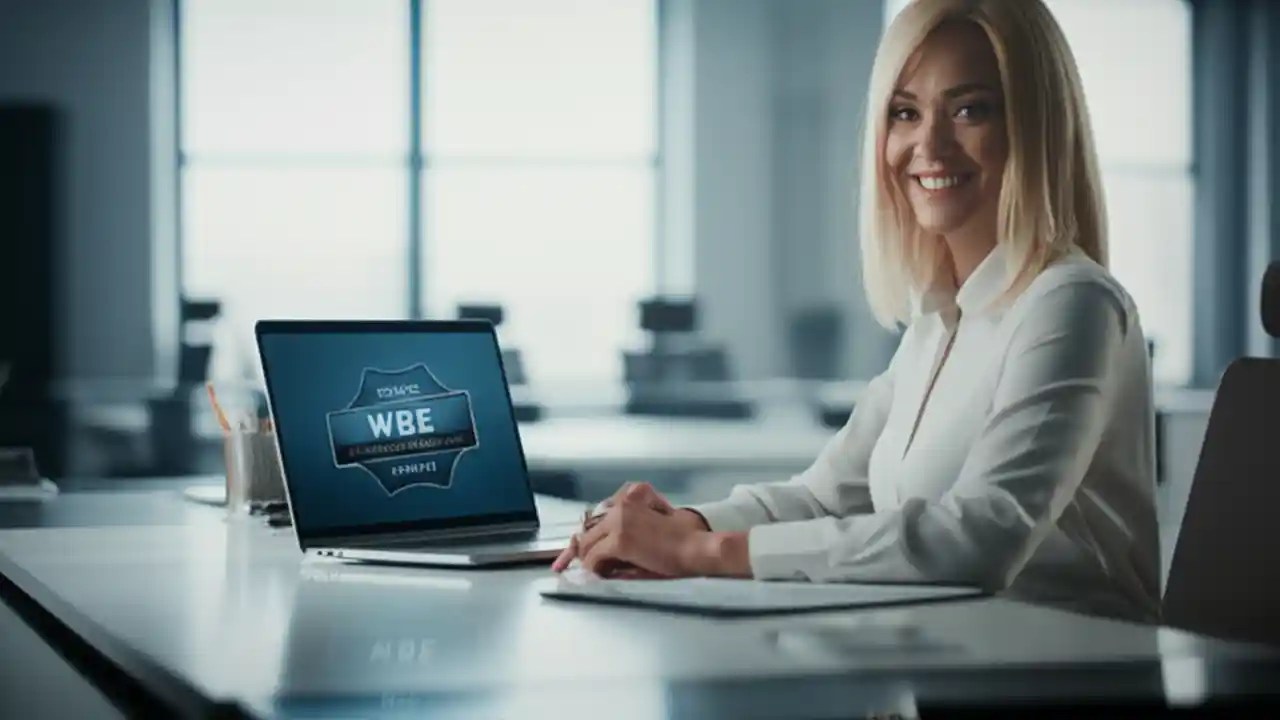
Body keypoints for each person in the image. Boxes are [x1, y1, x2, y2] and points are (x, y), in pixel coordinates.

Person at [552, 0, 1161, 623]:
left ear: (1035, 128)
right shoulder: (940, 319)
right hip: (953, 662)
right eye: (905, 112)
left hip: (1071, 675)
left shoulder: (1072, 301)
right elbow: (825, 497)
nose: (930, 143)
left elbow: (983, 536)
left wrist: (701, 551)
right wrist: (675, 524)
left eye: (970, 109)